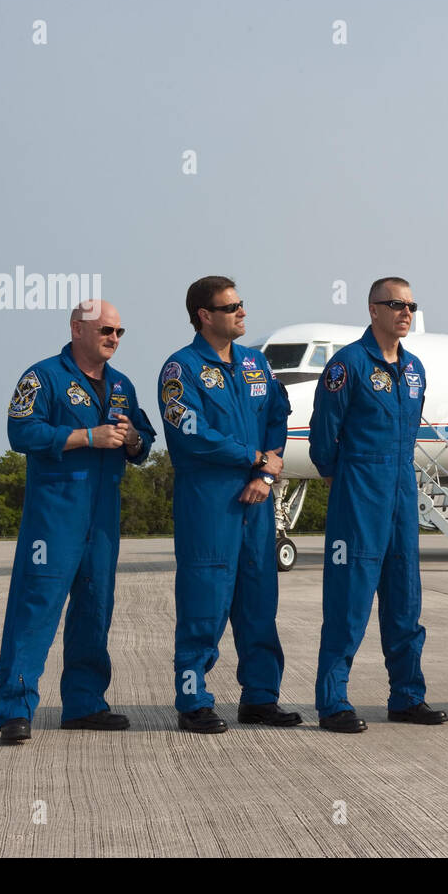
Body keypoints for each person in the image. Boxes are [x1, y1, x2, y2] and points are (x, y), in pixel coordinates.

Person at [0, 300, 156, 743]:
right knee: (35, 608)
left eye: (120, 332)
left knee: (95, 609)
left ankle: (84, 704)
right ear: (77, 329)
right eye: (106, 330)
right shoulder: (42, 376)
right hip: (55, 517)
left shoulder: (122, 385)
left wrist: (133, 437)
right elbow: (20, 432)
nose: (114, 339)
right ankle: (14, 709)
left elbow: (144, 441)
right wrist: (88, 437)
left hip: (102, 519)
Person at [159, 276, 300, 734]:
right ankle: (193, 699)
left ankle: (260, 698)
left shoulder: (256, 364)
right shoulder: (180, 370)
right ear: (204, 316)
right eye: (231, 307)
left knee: (259, 600)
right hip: (209, 500)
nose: (242, 312)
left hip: (257, 497)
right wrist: (253, 459)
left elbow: (279, 415)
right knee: (205, 600)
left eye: (241, 304)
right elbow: (191, 433)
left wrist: (264, 472)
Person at [308, 277, 448, 734]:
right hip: (360, 488)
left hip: (403, 490)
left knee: (405, 599)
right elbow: (322, 437)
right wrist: (346, 477)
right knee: (349, 601)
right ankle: (333, 702)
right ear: (372, 310)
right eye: (395, 304)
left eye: (411, 304)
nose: (405, 312)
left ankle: (407, 696)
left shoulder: (414, 370)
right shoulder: (346, 365)